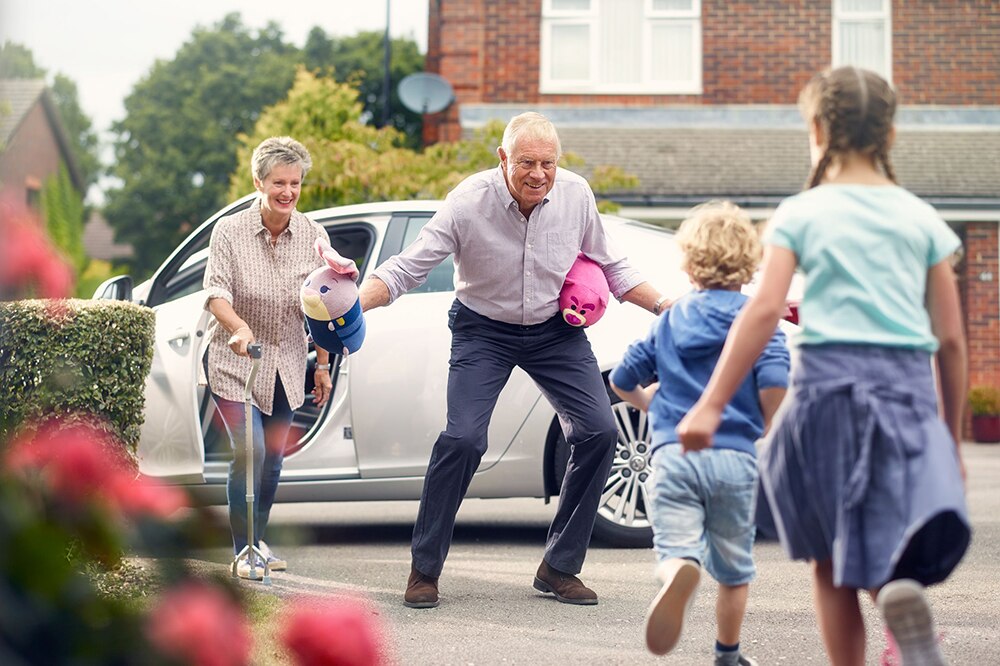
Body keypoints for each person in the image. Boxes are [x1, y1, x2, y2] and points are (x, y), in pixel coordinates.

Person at [677, 67, 971, 666]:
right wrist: (952, 437)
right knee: (891, 527)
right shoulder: (921, 217)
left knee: (830, 557)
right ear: (890, 134)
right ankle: (898, 600)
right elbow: (951, 341)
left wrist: (711, 403)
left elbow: (763, 311)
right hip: (906, 396)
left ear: (816, 129)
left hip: (826, 396)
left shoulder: (801, 213)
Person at [358, 111, 666, 609]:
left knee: (599, 431)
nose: (539, 174)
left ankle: (559, 567)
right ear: (503, 158)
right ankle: (424, 569)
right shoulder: (467, 202)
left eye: (548, 163)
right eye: (527, 162)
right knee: (463, 439)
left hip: (554, 331)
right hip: (484, 329)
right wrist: (351, 305)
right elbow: (405, 269)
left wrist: (664, 304)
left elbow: (614, 266)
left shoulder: (576, 195)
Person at [610, 201, 789, 666]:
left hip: (674, 454)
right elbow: (775, 381)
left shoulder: (671, 319)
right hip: (734, 458)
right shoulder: (760, 318)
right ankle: (727, 655)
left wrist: (652, 406)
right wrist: (762, 422)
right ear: (749, 261)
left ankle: (678, 569)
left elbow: (622, 378)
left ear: (689, 263)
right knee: (734, 569)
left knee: (675, 546)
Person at [203, 136, 334, 578]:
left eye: (295, 183)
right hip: (236, 362)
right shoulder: (230, 231)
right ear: (258, 182)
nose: (288, 192)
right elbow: (215, 292)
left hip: (287, 365)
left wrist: (322, 365)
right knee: (251, 452)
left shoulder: (314, 236)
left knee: (273, 459)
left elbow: (321, 305)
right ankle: (243, 552)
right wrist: (239, 328)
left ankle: (256, 539)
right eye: (279, 182)